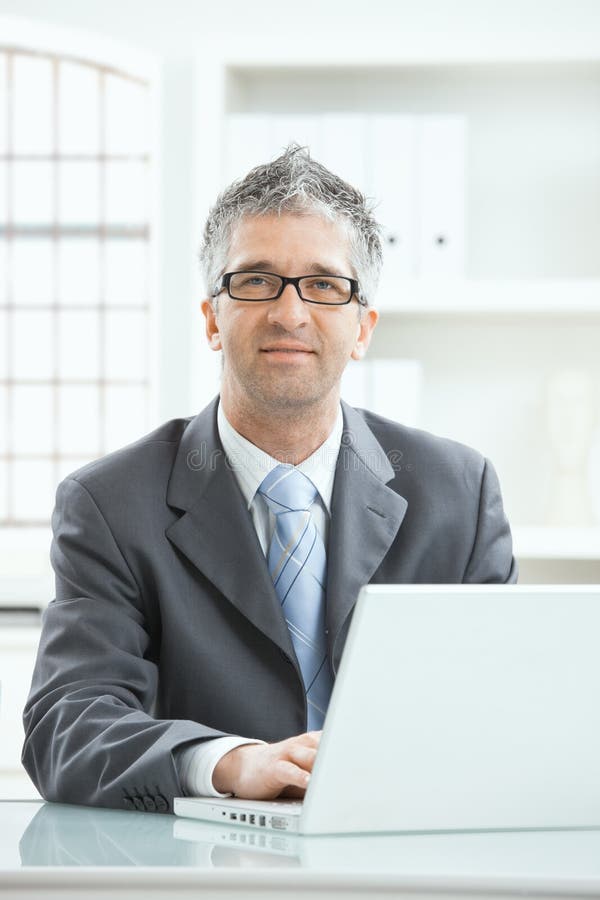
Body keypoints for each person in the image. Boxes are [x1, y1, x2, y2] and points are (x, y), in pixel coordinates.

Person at [22, 145, 517, 814]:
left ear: (363, 327)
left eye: (324, 284)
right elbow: (68, 725)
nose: (289, 313)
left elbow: (506, 710)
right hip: (199, 860)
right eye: (256, 281)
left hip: (403, 844)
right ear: (211, 318)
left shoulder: (459, 493)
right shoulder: (109, 505)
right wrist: (229, 762)